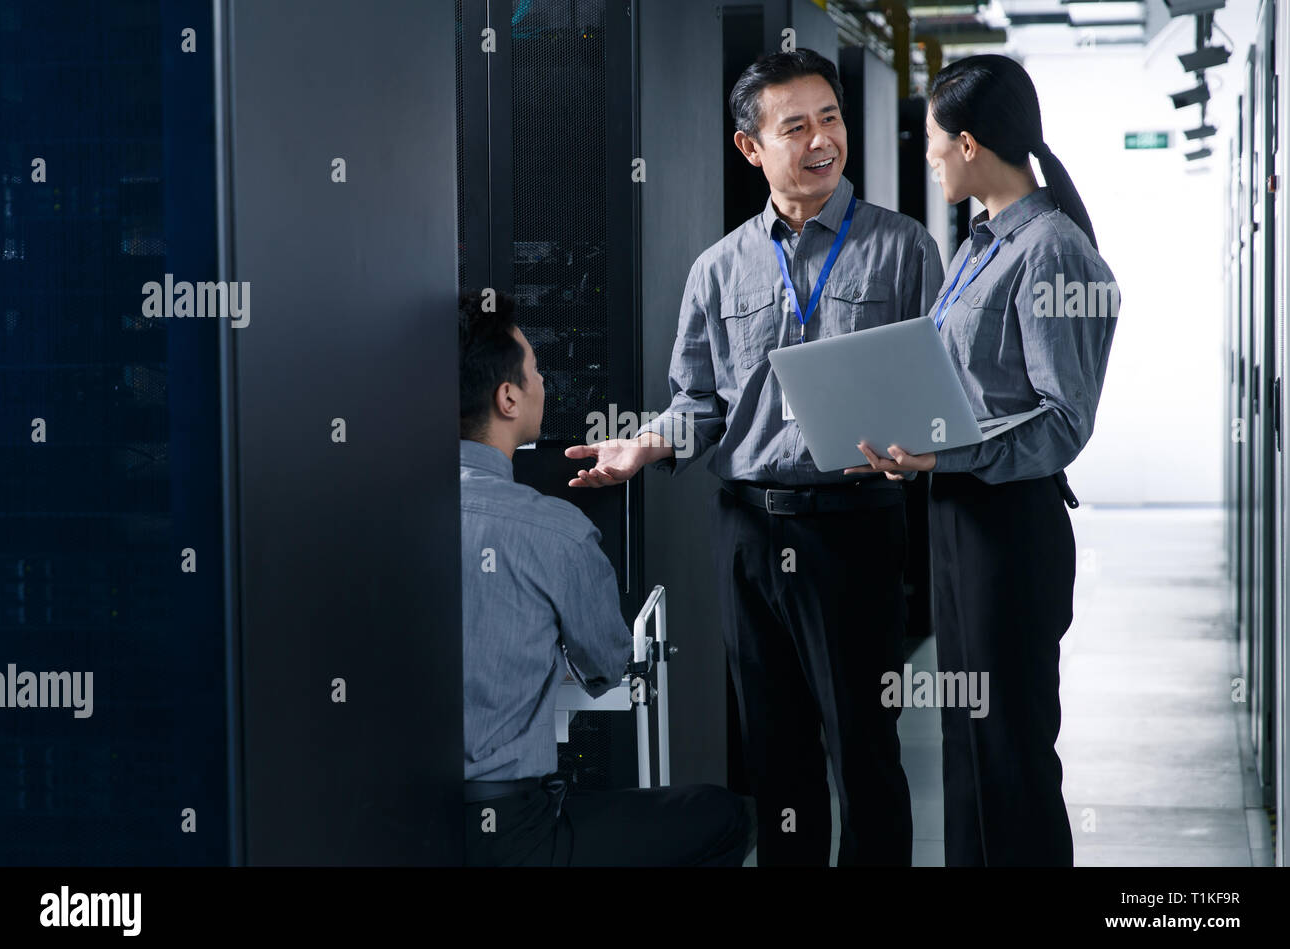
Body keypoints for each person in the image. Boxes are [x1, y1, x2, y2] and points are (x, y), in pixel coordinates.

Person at [564, 49, 944, 866]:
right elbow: (698, 402)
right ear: (751, 147)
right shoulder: (718, 267)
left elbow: (938, 394)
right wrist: (649, 443)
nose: (820, 141)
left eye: (830, 118)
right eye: (795, 126)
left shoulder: (904, 249)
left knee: (865, 750)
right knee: (776, 752)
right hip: (748, 533)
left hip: (855, 527)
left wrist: (925, 444)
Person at [849, 53, 1120, 866]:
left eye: (934, 143)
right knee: (965, 744)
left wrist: (951, 451)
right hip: (958, 514)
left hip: (1013, 526)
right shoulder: (976, 246)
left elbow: (1064, 420)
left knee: (1009, 752)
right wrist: (912, 442)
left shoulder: (1052, 252)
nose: (926, 158)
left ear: (968, 143)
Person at [457, 288, 753, 866]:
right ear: (509, 397)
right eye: (537, 370)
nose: (545, 381)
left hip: (382, 825)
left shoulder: (364, 521)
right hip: (507, 832)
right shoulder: (554, 531)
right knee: (725, 817)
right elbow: (606, 664)